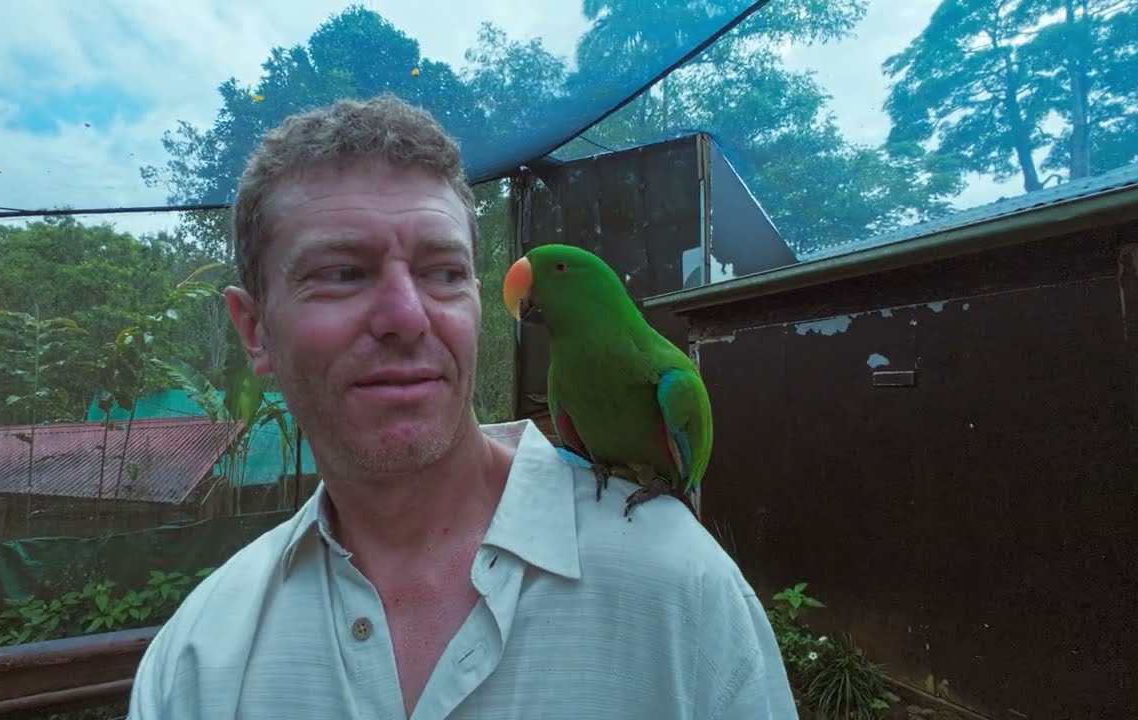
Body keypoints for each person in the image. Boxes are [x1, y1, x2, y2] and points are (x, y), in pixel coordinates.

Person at [126, 92, 798, 720]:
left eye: (443, 273)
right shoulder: (196, 664)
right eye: (341, 273)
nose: (405, 316)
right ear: (254, 331)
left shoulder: (683, 588)